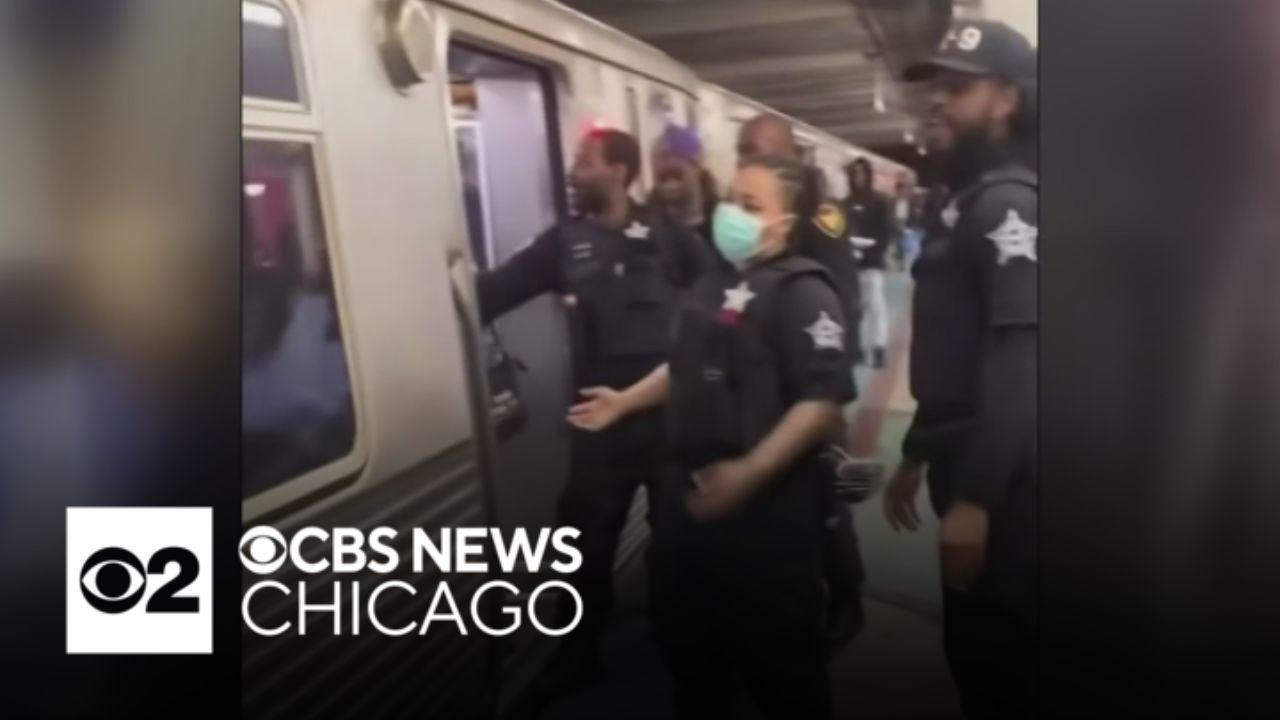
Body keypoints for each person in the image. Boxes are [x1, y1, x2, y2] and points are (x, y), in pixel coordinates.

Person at [568, 154, 850, 719]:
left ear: (785, 223)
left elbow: (820, 404)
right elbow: (684, 369)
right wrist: (624, 402)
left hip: (768, 527)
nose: (733, 216)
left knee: (785, 682)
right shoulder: (717, 283)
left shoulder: (804, 294)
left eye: (752, 207)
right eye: (731, 202)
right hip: (691, 521)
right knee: (695, 673)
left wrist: (749, 475)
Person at [475, 127, 710, 694]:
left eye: (586, 161)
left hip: (666, 416)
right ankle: (576, 654)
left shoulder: (672, 239)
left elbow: (718, 310)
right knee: (581, 547)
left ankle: (688, 652)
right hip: (597, 421)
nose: (574, 171)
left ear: (621, 172)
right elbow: (492, 292)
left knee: (680, 544)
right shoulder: (564, 243)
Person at [883, 19, 1038, 718]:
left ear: (1006, 99)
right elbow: (956, 352)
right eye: (936, 87)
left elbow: (1020, 357)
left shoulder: (1006, 205)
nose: (939, 101)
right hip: (968, 460)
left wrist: (974, 499)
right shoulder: (964, 205)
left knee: (999, 661)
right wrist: (919, 447)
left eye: (960, 87)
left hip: (1010, 491)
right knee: (975, 651)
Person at [738, 113, 867, 647]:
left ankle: (846, 594)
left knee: (828, 493)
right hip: (763, 384)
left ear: (793, 156)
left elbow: (847, 300)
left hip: (814, 381)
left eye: (763, 151)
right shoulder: (743, 209)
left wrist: (833, 387)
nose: (751, 160)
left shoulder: (822, 217)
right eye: (744, 151)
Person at [844, 157, 894, 368]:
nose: (859, 178)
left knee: (876, 305)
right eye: (855, 174)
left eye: (862, 173)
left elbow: (886, 231)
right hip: (851, 261)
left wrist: (875, 250)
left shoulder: (879, 201)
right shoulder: (845, 203)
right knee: (855, 308)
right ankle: (857, 347)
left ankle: (879, 347)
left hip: (872, 261)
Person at [648, 123, 719, 246]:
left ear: (696, 164)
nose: (661, 164)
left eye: (668, 154)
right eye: (656, 158)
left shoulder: (723, 225)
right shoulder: (645, 227)